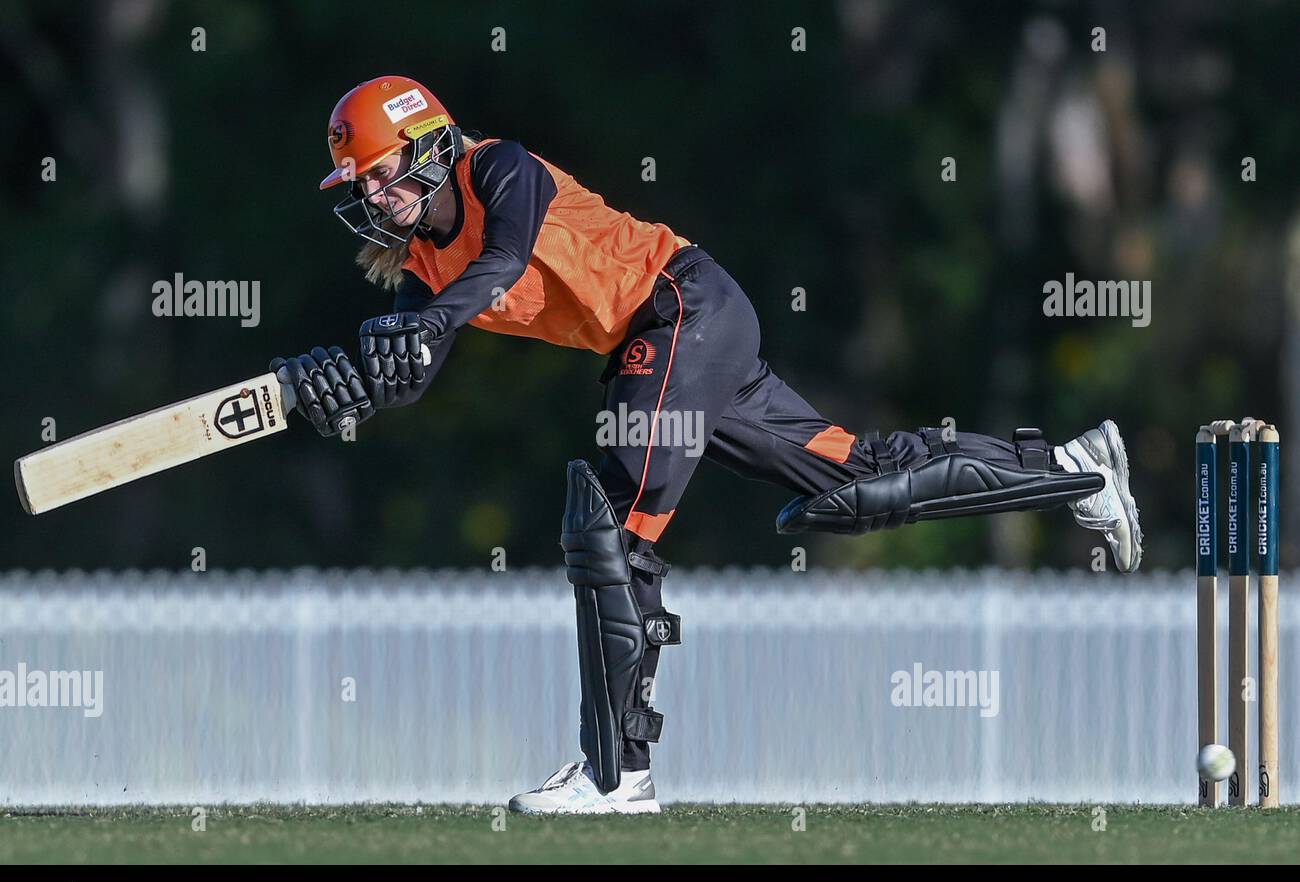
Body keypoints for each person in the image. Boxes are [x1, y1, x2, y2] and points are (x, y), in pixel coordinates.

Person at [272, 76, 1144, 815]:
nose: (371, 197)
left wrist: (424, 328)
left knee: (609, 529)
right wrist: (339, 386)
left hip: (680, 305)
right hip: (670, 338)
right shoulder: (423, 259)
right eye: (360, 186)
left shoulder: (499, 167)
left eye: (379, 175)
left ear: (426, 145)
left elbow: (501, 262)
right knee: (857, 487)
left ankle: (618, 778)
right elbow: (409, 370)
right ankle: (1070, 472)